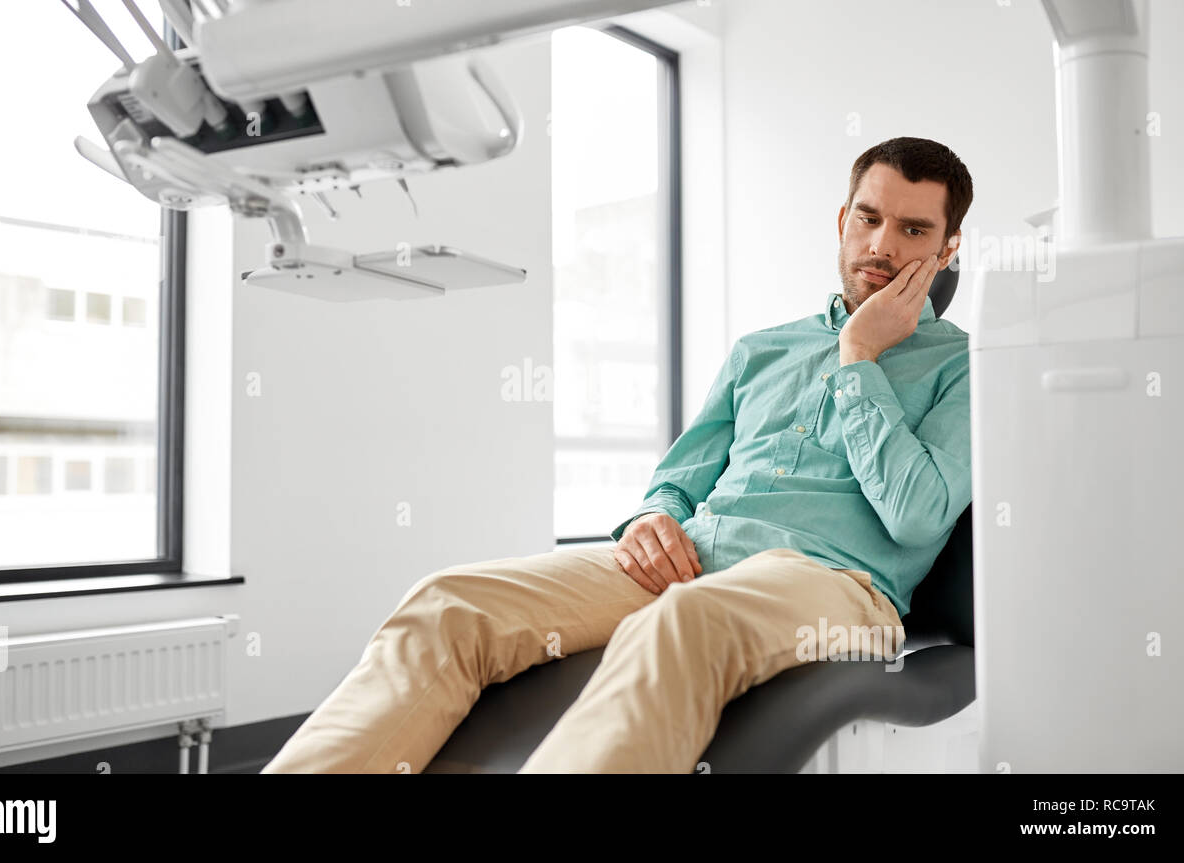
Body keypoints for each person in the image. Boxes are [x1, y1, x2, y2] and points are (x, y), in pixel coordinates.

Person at [261, 136, 974, 774]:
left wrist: (859, 355)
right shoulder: (762, 349)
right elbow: (677, 481)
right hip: (689, 559)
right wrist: (651, 518)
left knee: (687, 620)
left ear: (947, 251)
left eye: (913, 230)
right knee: (448, 602)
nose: (882, 244)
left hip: (835, 583)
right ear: (841, 221)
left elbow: (916, 516)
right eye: (868, 217)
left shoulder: (966, 367)